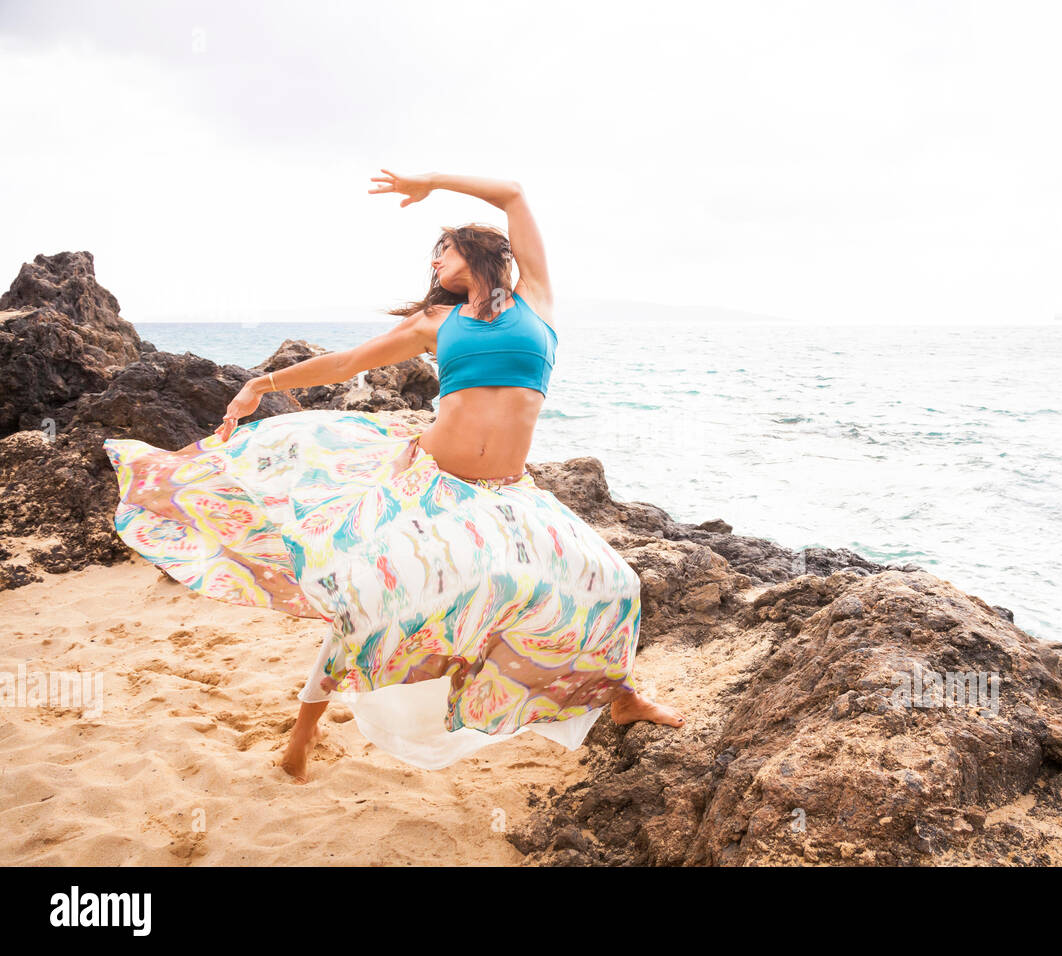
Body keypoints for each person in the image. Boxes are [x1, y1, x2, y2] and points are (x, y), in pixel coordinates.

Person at [102, 170, 684, 784]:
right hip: (426, 484)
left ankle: (621, 699)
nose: (435, 263)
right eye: (433, 255)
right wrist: (261, 384)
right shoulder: (436, 322)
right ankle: (303, 732)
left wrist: (429, 181)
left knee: (614, 583)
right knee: (367, 605)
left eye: (444, 250)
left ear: (477, 252)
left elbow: (513, 194)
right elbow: (349, 361)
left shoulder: (535, 299)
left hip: (509, 494)